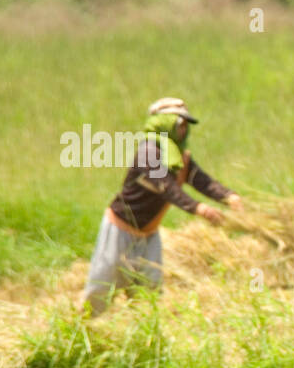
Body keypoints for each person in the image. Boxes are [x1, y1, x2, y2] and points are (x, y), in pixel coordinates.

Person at [81, 97, 243, 316]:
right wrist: (199, 209)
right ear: (166, 124)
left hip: (148, 234)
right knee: (101, 289)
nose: (184, 130)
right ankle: (83, 329)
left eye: (186, 126)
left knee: (149, 293)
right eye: (180, 124)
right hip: (119, 230)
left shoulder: (179, 158)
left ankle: (143, 339)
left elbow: (202, 181)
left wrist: (229, 197)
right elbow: (166, 187)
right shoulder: (149, 153)